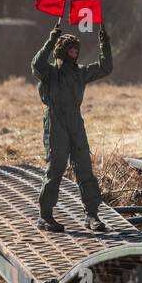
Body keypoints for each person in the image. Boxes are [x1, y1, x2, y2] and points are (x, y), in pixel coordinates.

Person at [31, 14, 113, 233]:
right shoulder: (49, 73)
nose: (74, 54)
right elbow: (36, 64)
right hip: (55, 123)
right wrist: (50, 40)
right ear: (62, 51)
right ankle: (45, 216)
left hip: (75, 123)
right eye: (70, 50)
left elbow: (105, 68)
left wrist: (104, 42)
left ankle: (92, 215)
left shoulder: (80, 73)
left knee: (84, 167)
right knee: (56, 168)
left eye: (76, 50)